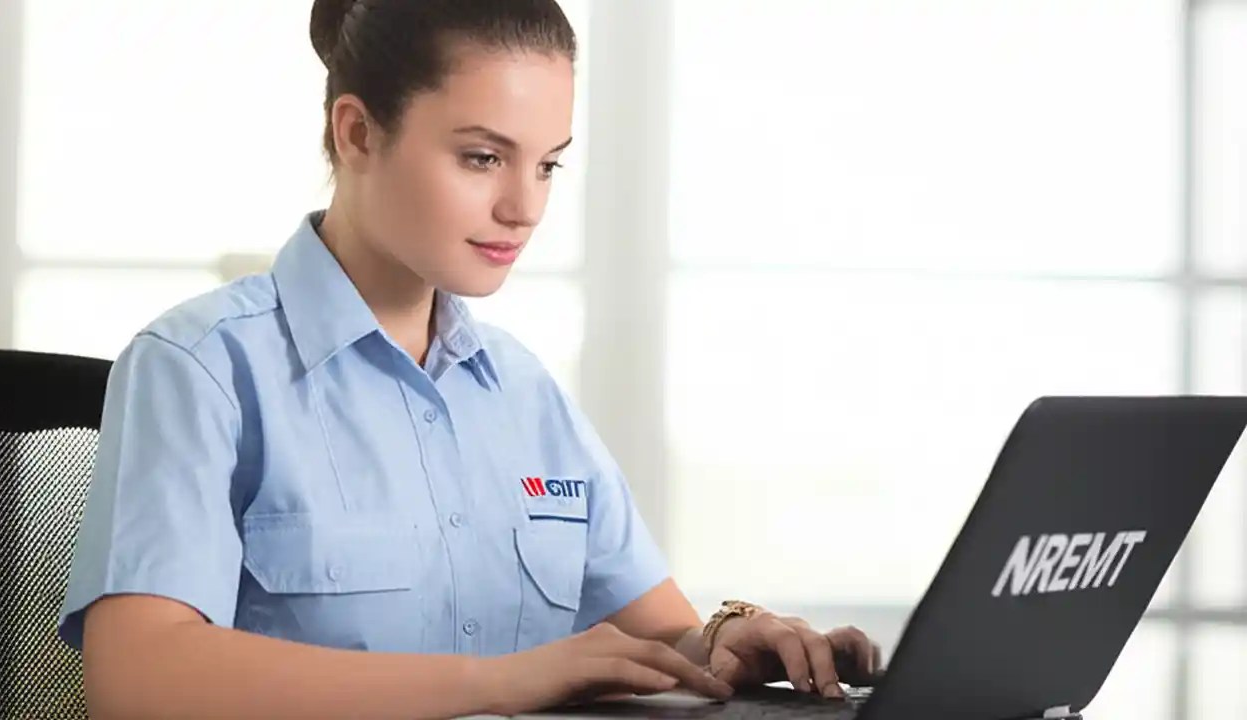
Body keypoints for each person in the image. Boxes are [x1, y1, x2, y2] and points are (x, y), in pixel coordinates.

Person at [58, 1, 882, 717]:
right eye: (483, 158)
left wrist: (734, 641)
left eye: (548, 164)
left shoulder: (523, 393)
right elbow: (140, 679)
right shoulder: (201, 370)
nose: (524, 208)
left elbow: (663, 636)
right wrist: (496, 682)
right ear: (358, 133)